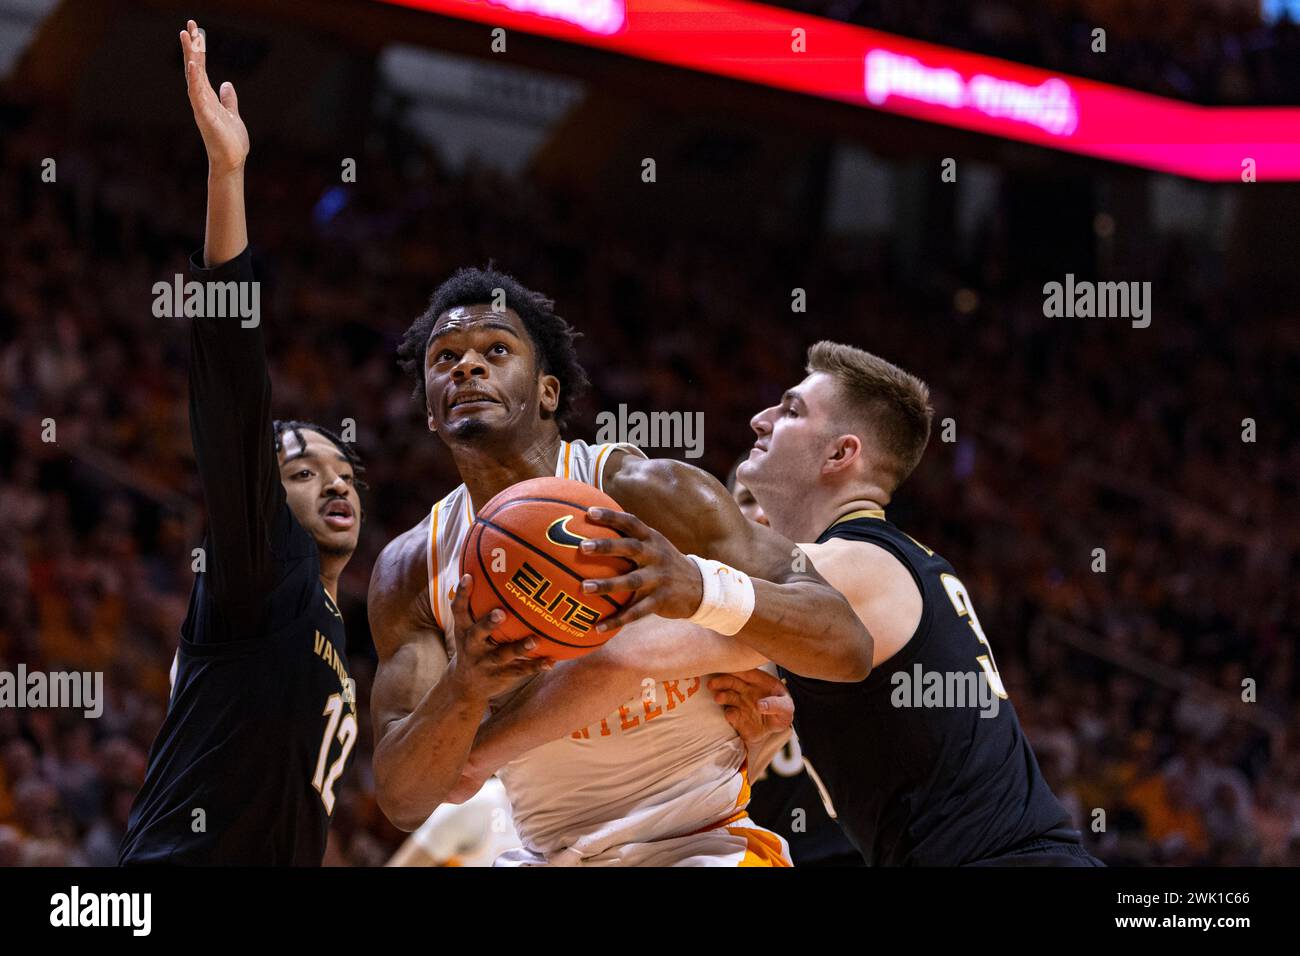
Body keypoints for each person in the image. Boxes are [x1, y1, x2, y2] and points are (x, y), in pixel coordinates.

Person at [368, 271, 873, 866]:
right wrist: (464, 686)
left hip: (698, 843)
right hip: (544, 854)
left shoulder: (651, 492)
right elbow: (404, 798)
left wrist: (701, 588)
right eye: (446, 358)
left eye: (496, 350)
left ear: (548, 391)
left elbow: (847, 642)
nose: (467, 367)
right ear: (431, 411)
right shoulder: (412, 566)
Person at [119, 21, 361, 865]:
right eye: (302, 470)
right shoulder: (265, 566)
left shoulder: (324, 612)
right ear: (265, 493)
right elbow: (232, 382)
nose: (336, 484)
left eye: (343, 469)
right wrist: (229, 176)